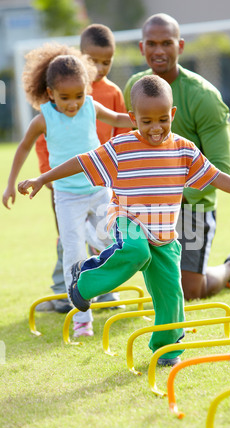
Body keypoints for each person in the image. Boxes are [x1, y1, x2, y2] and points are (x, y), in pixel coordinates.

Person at [18, 75, 230, 365]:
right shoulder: (121, 146)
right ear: (133, 119)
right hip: (128, 221)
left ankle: (167, 349)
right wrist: (43, 177)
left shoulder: (184, 150)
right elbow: (82, 162)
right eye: (146, 122)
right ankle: (83, 283)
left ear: (172, 114)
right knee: (136, 251)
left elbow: (214, 175)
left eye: (162, 120)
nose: (155, 128)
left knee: (171, 294)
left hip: (164, 235)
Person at [2, 43, 132, 337]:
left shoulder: (90, 106)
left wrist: (145, 120)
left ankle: (99, 272)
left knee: (109, 239)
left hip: (99, 188)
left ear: (87, 89)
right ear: (50, 94)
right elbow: (23, 148)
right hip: (67, 196)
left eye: (78, 95)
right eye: (65, 98)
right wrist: (10, 183)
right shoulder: (44, 118)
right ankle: (81, 319)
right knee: (73, 253)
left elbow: (117, 119)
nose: (73, 104)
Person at [123, 13, 230, 301]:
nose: (158, 51)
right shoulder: (134, 87)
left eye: (166, 43)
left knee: (189, 292)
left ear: (179, 46)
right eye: (151, 43)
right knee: (159, 279)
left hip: (193, 204)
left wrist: (172, 191)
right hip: (148, 202)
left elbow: (220, 166)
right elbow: (128, 145)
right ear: (141, 48)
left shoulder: (204, 97)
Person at [35, 24, 131, 313]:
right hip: (64, 180)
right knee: (69, 238)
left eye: (106, 61)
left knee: (103, 233)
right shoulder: (64, 88)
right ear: (80, 57)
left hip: (99, 181)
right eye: (93, 60)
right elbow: (43, 138)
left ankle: (101, 289)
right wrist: (46, 173)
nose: (100, 67)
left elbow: (118, 130)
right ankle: (62, 291)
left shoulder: (110, 93)